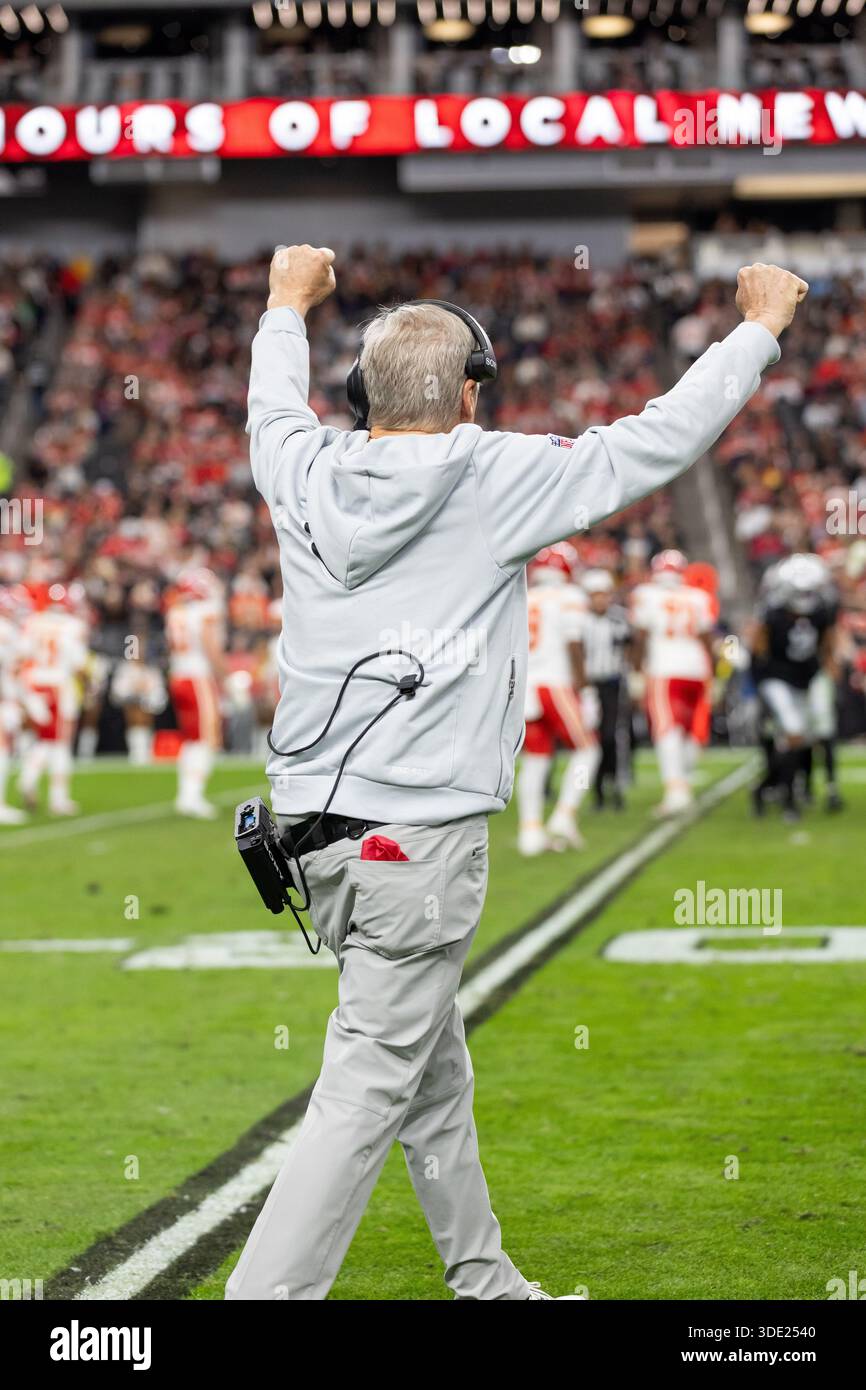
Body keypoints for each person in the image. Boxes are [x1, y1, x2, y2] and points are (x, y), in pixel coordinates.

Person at [225, 246, 806, 1302]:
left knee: (430, 1073)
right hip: (413, 842)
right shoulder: (491, 475)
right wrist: (756, 330)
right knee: (365, 1089)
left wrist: (281, 305)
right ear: (466, 394)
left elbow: (271, 398)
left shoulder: (298, 467)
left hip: (314, 834)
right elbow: (657, 439)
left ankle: (487, 1284)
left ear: (359, 395)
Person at [518, 543, 598, 855]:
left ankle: (530, 831)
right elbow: (574, 642)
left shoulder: (525, 597)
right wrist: (585, 687)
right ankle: (565, 813)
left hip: (528, 686)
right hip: (556, 683)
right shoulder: (570, 597)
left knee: (536, 761)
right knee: (587, 751)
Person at [750, 553, 841, 821]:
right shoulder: (771, 612)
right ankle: (787, 799)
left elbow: (826, 642)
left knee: (804, 737)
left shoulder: (823, 609)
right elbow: (757, 647)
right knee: (793, 733)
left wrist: (829, 665)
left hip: (805, 677)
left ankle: (768, 788)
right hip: (777, 677)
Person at [630, 549, 716, 816]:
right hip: (696, 668)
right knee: (690, 729)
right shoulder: (698, 597)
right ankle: (683, 783)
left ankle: (676, 789)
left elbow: (641, 636)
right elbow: (706, 638)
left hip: (663, 668)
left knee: (667, 729)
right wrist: (712, 670)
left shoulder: (645, 595)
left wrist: (636, 670)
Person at [165, 567, 226, 819]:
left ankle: (185, 795)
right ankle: (193, 795)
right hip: (198, 677)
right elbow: (211, 648)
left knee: (191, 738)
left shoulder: (175, 611)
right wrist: (227, 677)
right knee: (206, 739)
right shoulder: (205, 611)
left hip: (179, 675)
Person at [579, 569, 632, 811]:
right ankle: (592, 791)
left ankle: (614, 786)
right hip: (588, 685)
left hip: (612, 683)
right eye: (596, 595)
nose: (601, 600)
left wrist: (636, 674)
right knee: (589, 740)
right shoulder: (580, 620)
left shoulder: (619, 618)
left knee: (612, 737)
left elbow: (633, 644)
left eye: (604, 595)